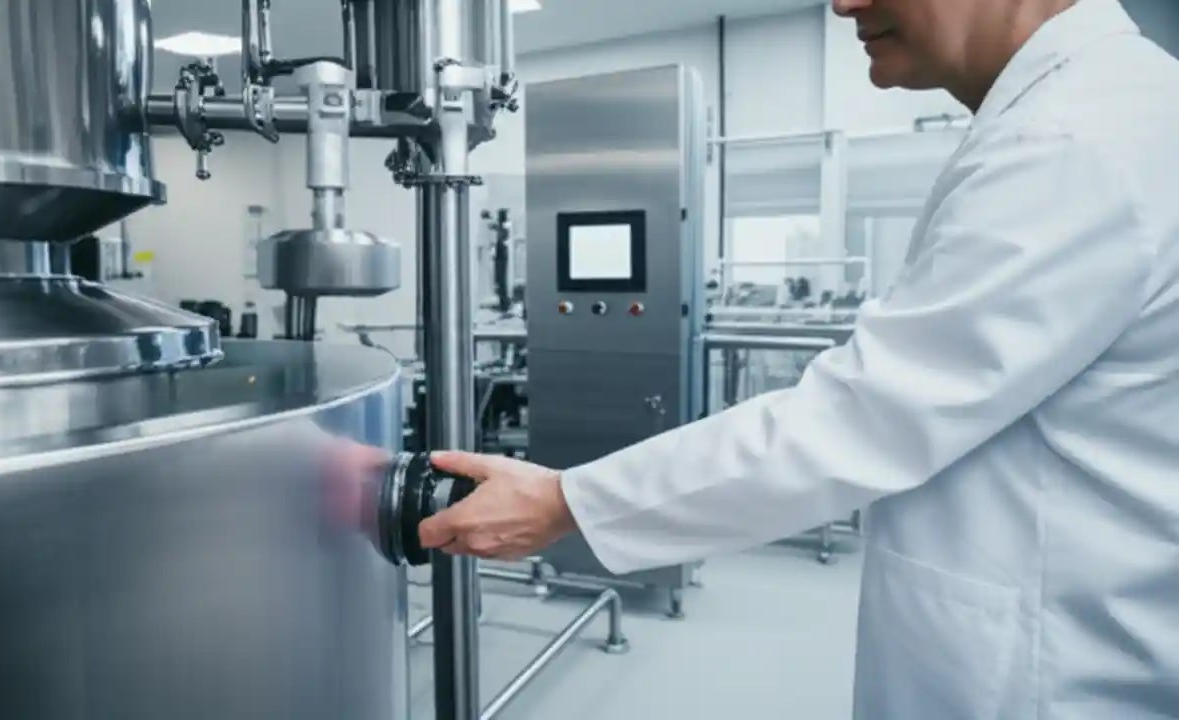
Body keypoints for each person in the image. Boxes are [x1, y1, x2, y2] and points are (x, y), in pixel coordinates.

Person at [420, 0, 1179, 716]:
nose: (843, 3)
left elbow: (863, 416)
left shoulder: (1078, 139)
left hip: (1053, 669)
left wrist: (568, 502)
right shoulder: (1095, 112)